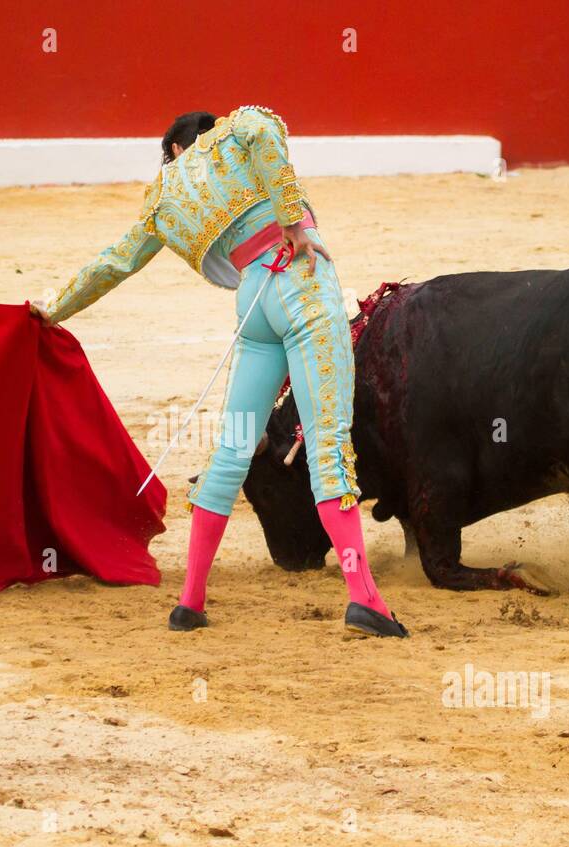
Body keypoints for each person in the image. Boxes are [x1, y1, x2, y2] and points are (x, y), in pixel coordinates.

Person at [30, 106, 407, 637]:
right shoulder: (238, 130)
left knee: (231, 451)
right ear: (203, 137)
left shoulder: (165, 198)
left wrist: (54, 309)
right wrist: (293, 223)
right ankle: (364, 599)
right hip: (301, 282)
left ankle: (190, 601)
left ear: (174, 150)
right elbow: (265, 135)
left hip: (255, 305)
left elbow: (115, 263)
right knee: (327, 444)